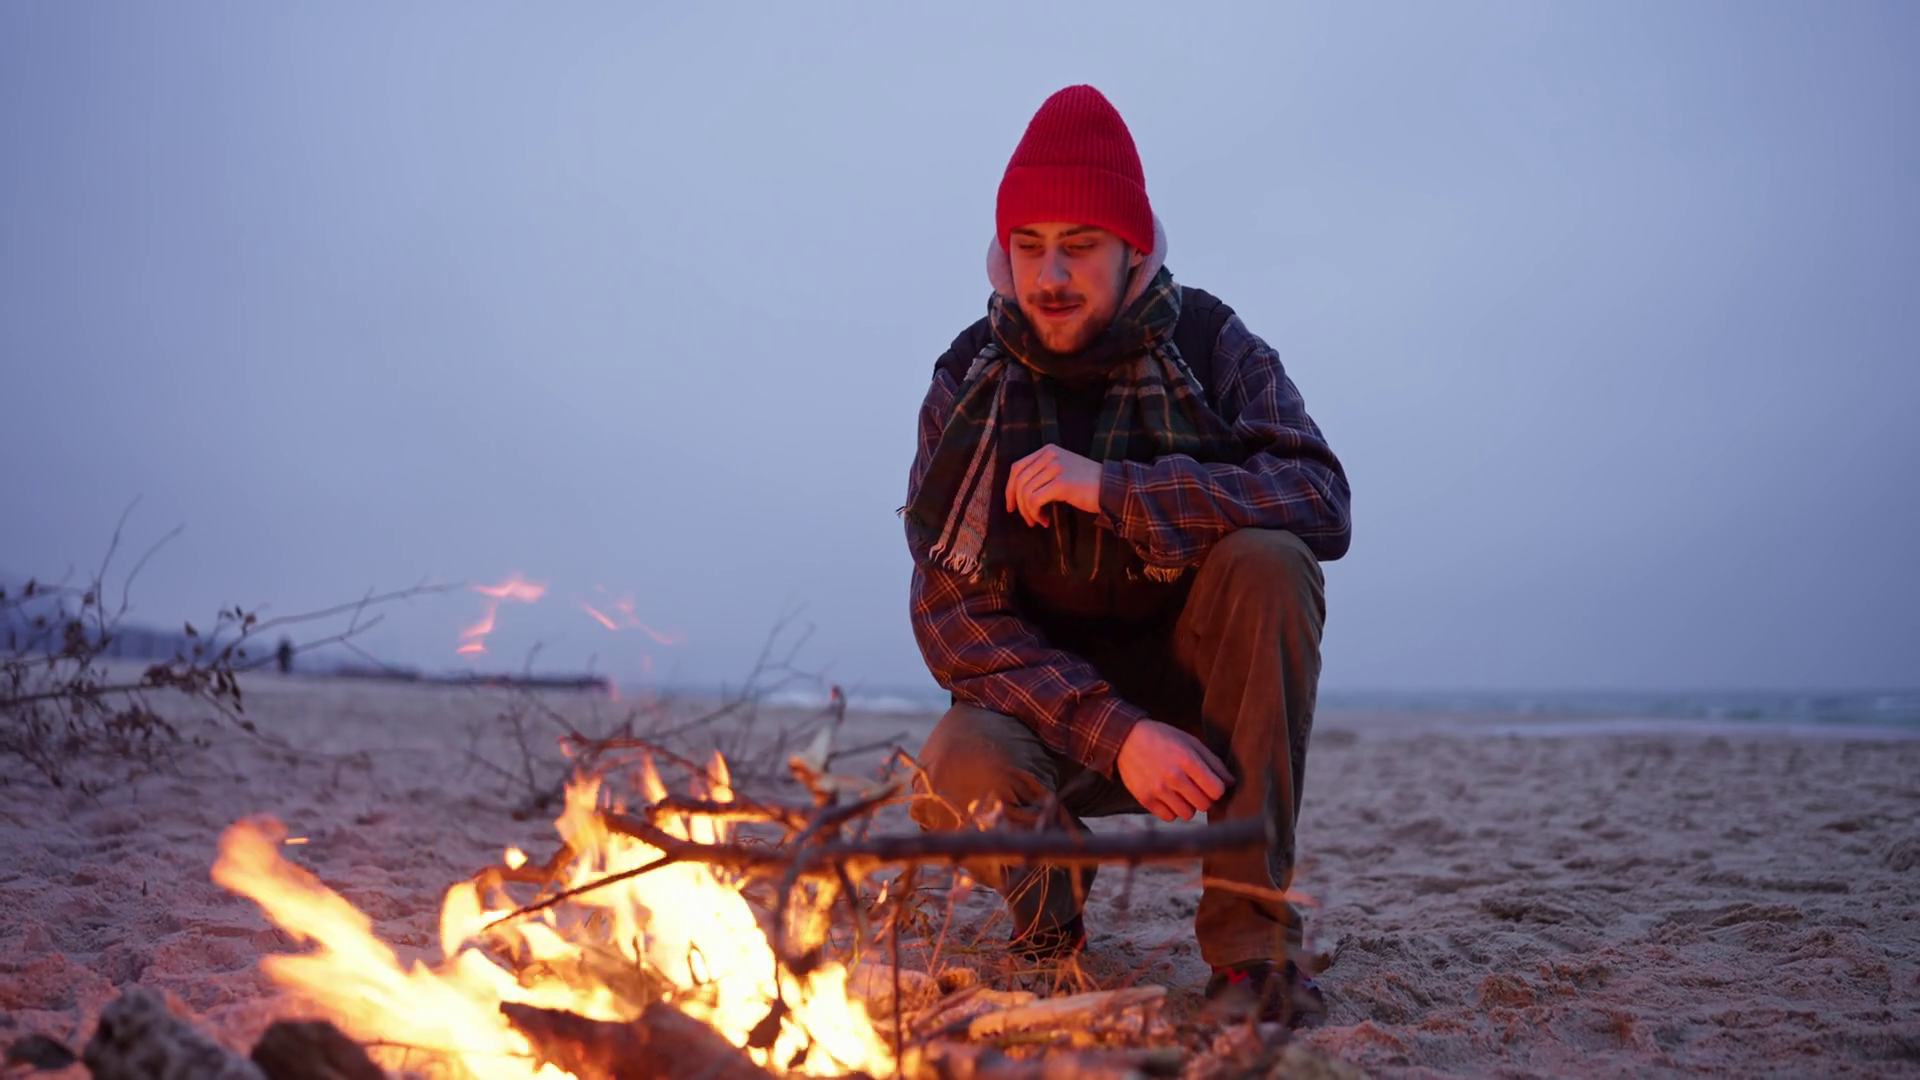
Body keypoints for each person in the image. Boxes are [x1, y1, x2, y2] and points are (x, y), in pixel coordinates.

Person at [901, 85, 1352, 1027]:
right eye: (1030, 245)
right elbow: (954, 619)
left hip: (1203, 695)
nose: (1051, 274)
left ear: (1133, 251)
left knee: (1273, 560)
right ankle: (1048, 924)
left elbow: (1321, 499)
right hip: (1053, 711)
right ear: (1003, 252)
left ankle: (1250, 952)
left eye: (1080, 245)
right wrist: (1120, 735)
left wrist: (1120, 491)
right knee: (954, 759)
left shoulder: (1210, 344)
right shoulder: (968, 382)